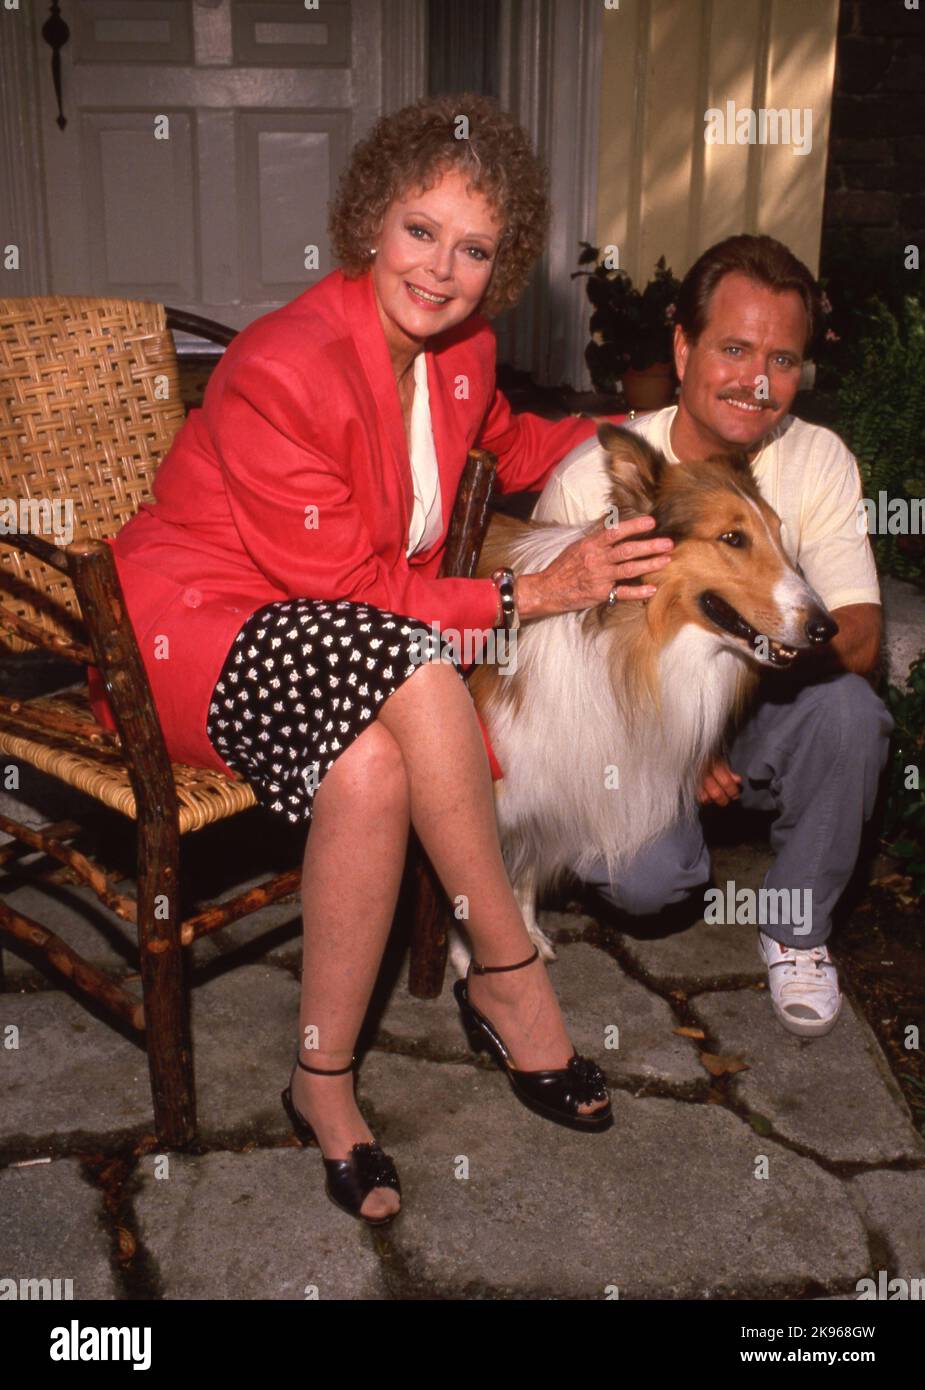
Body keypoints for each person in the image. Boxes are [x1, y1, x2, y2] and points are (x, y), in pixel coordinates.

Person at [89, 94, 674, 1224]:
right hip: (188, 632)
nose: (441, 270)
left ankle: (321, 1080)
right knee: (411, 657)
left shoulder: (460, 355)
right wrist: (524, 595)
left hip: (335, 647)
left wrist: (641, 436)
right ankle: (507, 967)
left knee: (372, 770)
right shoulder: (279, 367)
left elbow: (511, 439)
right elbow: (354, 593)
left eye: (473, 249)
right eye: (420, 230)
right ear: (368, 221)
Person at [532, 234, 893, 1041]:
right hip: (622, 728)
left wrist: (719, 707)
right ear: (682, 345)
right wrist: (674, 744)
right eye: (733, 349)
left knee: (850, 714)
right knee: (646, 887)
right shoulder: (597, 478)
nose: (758, 383)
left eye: (783, 359)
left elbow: (861, 638)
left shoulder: (816, 458)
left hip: (756, 710)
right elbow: (554, 672)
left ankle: (795, 927)